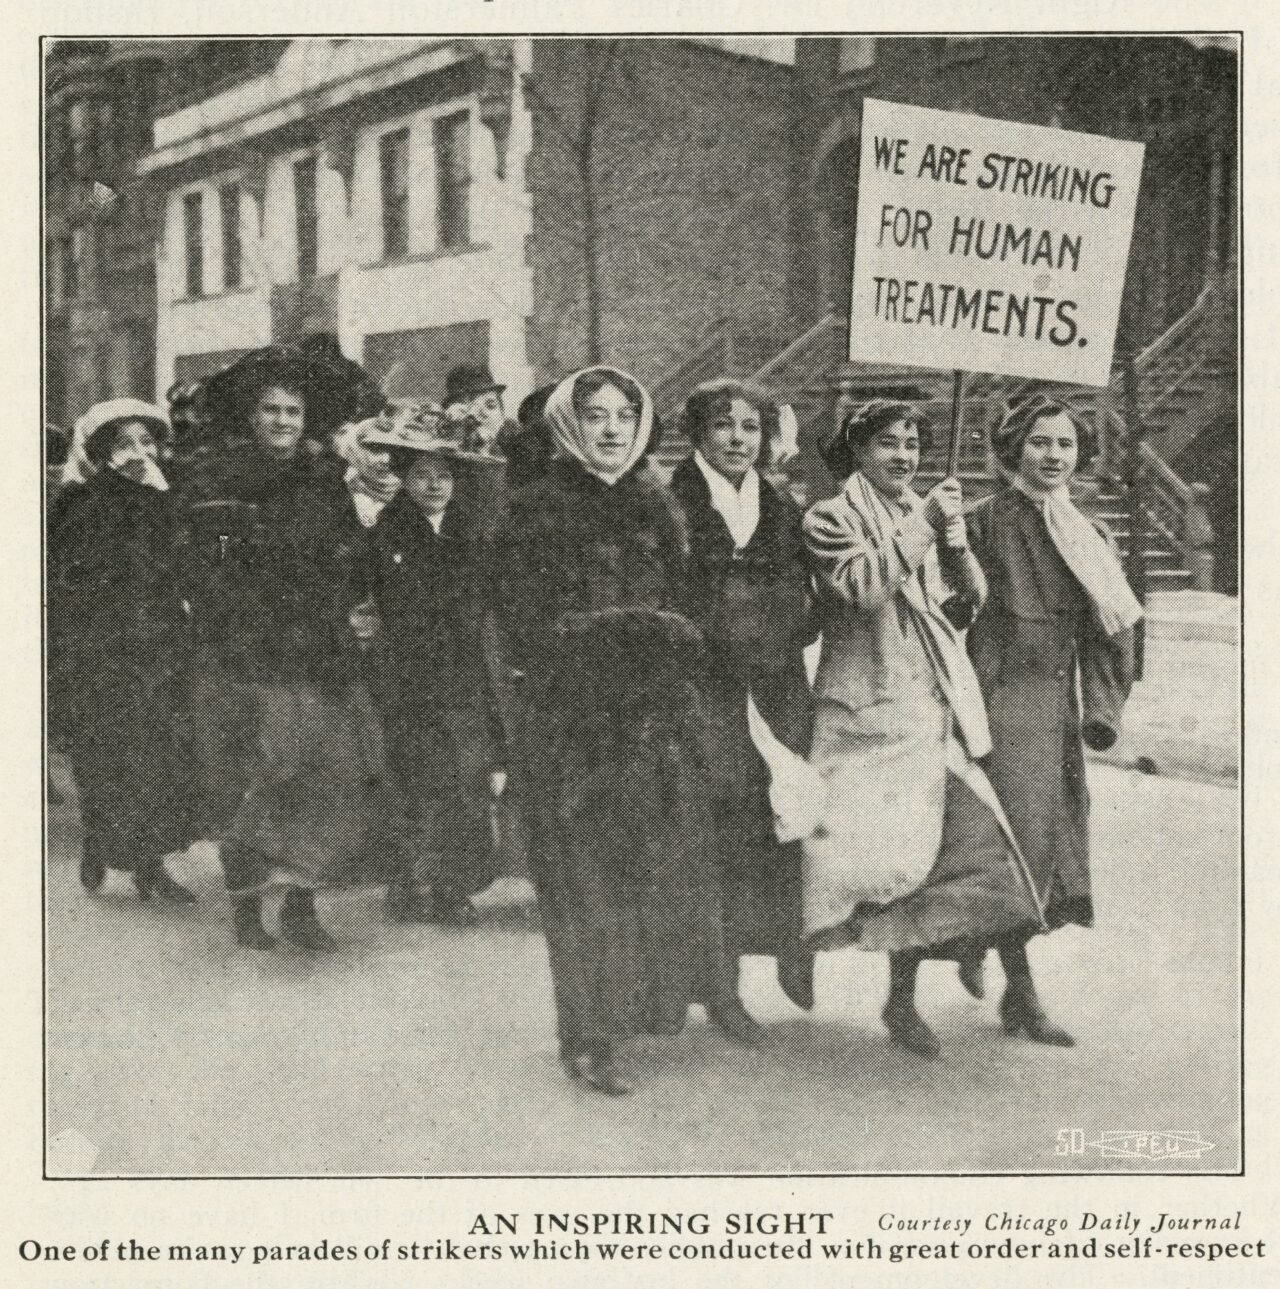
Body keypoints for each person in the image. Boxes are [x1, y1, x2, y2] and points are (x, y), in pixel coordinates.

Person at [491, 366, 735, 1095]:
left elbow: (690, 606)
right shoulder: (532, 510)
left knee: (647, 869)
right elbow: (528, 628)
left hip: (653, 717)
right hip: (572, 723)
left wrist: (685, 644)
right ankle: (586, 1034)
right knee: (581, 883)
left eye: (624, 416)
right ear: (569, 425)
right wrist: (640, 626)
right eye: (594, 415)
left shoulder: (655, 503)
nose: (610, 429)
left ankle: (635, 1011)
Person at [801, 400, 1043, 1058]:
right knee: (885, 868)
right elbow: (860, 586)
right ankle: (880, 990)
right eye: (887, 443)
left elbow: (964, 604)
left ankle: (993, 985)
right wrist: (924, 524)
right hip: (870, 715)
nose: (903, 455)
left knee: (974, 850)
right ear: (857, 449)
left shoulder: (925, 511)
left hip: (935, 708)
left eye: (912, 443)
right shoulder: (829, 518)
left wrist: (956, 545)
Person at [178, 346, 393, 951]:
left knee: (323, 778)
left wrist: (354, 598)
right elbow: (199, 565)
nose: (282, 422)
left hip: (318, 648)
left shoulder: (323, 479)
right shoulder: (218, 479)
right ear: (251, 418)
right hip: (245, 651)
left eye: (293, 412)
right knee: (251, 775)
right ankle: (247, 908)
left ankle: (300, 904)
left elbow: (348, 551)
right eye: (270, 410)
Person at [963, 394, 1140, 1045]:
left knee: (1034, 853)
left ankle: (1011, 979)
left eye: (1064, 444)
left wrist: (1102, 708)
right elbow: (950, 614)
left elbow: (1111, 630)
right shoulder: (980, 524)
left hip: (1052, 711)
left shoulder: (1088, 536)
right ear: (1015, 448)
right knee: (985, 846)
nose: (1053, 455)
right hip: (991, 701)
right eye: (1040, 442)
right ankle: (976, 987)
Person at [669, 379, 817, 1019]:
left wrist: (783, 628)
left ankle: (789, 949)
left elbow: (800, 589)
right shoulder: (672, 502)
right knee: (715, 828)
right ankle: (718, 980)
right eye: (725, 426)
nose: (738, 440)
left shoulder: (781, 506)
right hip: (707, 686)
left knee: (783, 816)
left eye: (751, 428)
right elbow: (672, 595)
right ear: (699, 433)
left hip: (776, 682)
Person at [356, 415, 507, 925]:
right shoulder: (386, 536)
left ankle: (454, 887)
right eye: (421, 473)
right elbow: (374, 602)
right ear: (404, 478)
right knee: (415, 778)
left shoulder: (472, 533)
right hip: (407, 675)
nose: (435, 484)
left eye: (444, 473)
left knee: (466, 780)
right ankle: (407, 881)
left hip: (464, 674)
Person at [48, 399, 196, 904]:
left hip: (160, 643)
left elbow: (185, 558)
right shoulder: (82, 502)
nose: (138, 452)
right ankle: (99, 844)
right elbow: (81, 574)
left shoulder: (166, 494)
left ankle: (150, 864)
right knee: (108, 755)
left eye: (145, 441)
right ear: (102, 453)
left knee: (158, 756)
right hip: (105, 648)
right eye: (124, 443)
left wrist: (162, 502)